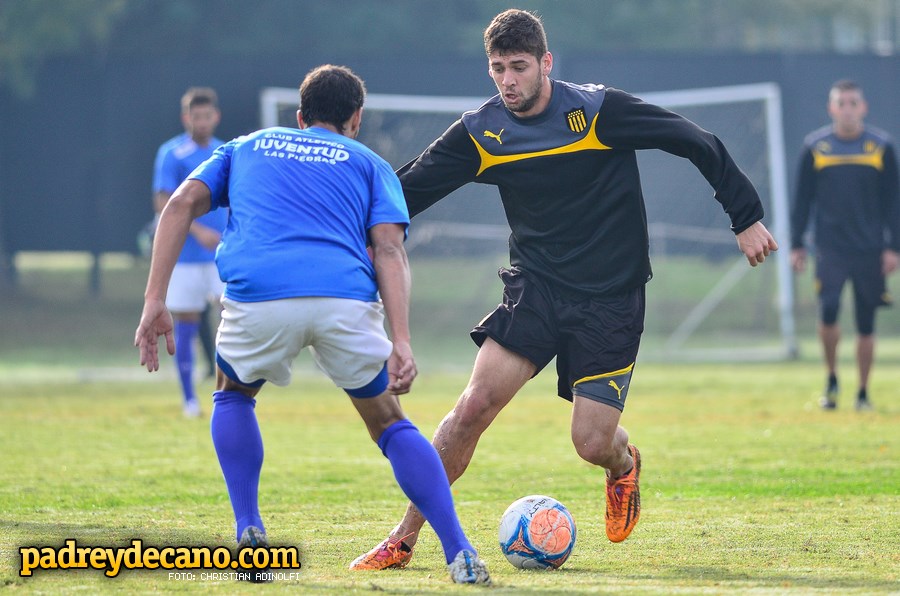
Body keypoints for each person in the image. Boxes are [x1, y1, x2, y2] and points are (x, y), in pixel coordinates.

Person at [350, 8, 777, 571]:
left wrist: (744, 216)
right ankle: (403, 538)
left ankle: (623, 466)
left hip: (612, 298)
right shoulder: (483, 132)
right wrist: (345, 236)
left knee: (590, 443)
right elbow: (409, 188)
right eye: (497, 68)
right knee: (471, 408)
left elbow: (693, 139)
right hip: (538, 288)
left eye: (519, 67)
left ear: (546, 63)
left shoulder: (599, 112)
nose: (507, 81)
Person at [134, 65, 491, 585]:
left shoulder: (245, 146)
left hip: (259, 298)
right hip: (341, 300)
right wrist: (402, 340)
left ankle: (250, 533)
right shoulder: (371, 164)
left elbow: (181, 205)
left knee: (233, 395)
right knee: (390, 424)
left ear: (300, 117)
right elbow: (389, 249)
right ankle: (459, 551)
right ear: (356, 119)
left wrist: (153, 300)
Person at [791, 79, 900, 411]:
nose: (848, 109)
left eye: (854, 102)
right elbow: (802, 201)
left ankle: (863, 392)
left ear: (863, 107)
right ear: (831, 108)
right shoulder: (816, 147)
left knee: (866, 320)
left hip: (869, 249)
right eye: (842, 103)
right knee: (829, 310)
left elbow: (894, 202)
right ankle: (832, 379)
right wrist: (797, 245)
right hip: (830, 249)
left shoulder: (881, 148)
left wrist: (893, 247)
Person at [151, 87, 228, 417]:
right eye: (196, 116)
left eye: (206, 115)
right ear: (186, 118)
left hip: (221, 254)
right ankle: (189, 399)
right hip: (184, 256)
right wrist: (197, 231)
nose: (202, 121)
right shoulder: (172, 153)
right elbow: (163, 202)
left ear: (215, 116)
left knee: (233, 317)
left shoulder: (224, 151)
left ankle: (226, 396)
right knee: (185, 322)